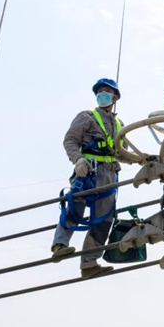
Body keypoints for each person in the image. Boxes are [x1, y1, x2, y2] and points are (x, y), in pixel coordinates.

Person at [50, 78, 124, 278]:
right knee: (76, 207)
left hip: (110, 174)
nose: (102, 94)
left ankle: (89, 264)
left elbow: (123, 152)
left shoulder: (119, 124)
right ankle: (59, 245)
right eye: (99, 91)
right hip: (88, 171)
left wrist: (146, 161)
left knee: (105, 219)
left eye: (107, 91)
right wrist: (78, 160)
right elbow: (70, 140)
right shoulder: (87, 117)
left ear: (115, 97)